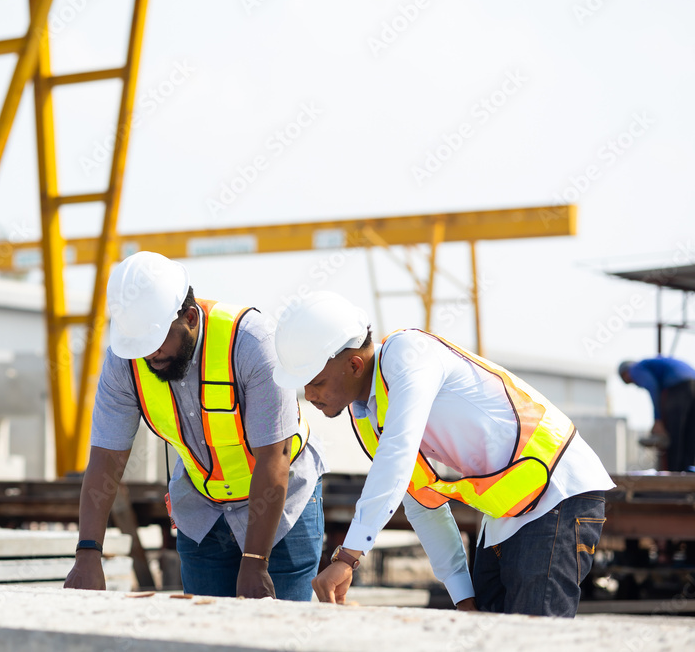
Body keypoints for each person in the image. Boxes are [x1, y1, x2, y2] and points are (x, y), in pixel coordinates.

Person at [270, 291, 615, 617]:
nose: (309, 395)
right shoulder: (367, 416)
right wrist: (463, 600)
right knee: (489, 636)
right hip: (508, 513)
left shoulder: (408, 354)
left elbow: (397, 457)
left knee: (534, 642)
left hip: (558, 493)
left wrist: (347, 558)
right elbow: (423, 507)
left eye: (315, 381)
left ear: (355, 365)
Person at [63, 251, 327, 600]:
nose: (148, 356)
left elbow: (273, 456)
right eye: (139, 346)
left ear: (189, 317)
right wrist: (87, 552)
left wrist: (255, 561)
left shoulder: (251, 342)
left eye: (156, 342)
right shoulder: (124, 362)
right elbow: (106, 460)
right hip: (203, 512)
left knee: (278, 636)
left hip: (281, 509)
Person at [619, 357, 695, 472]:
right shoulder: (652, 365)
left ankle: (673, 477)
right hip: (692, 384)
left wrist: (657, 419)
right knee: (690, 434)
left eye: (631, 382)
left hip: (678, 387)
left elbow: (652, 387)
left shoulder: (635, 369)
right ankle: (688, 475)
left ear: (625, 374)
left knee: (674, 436)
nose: (635, 383)